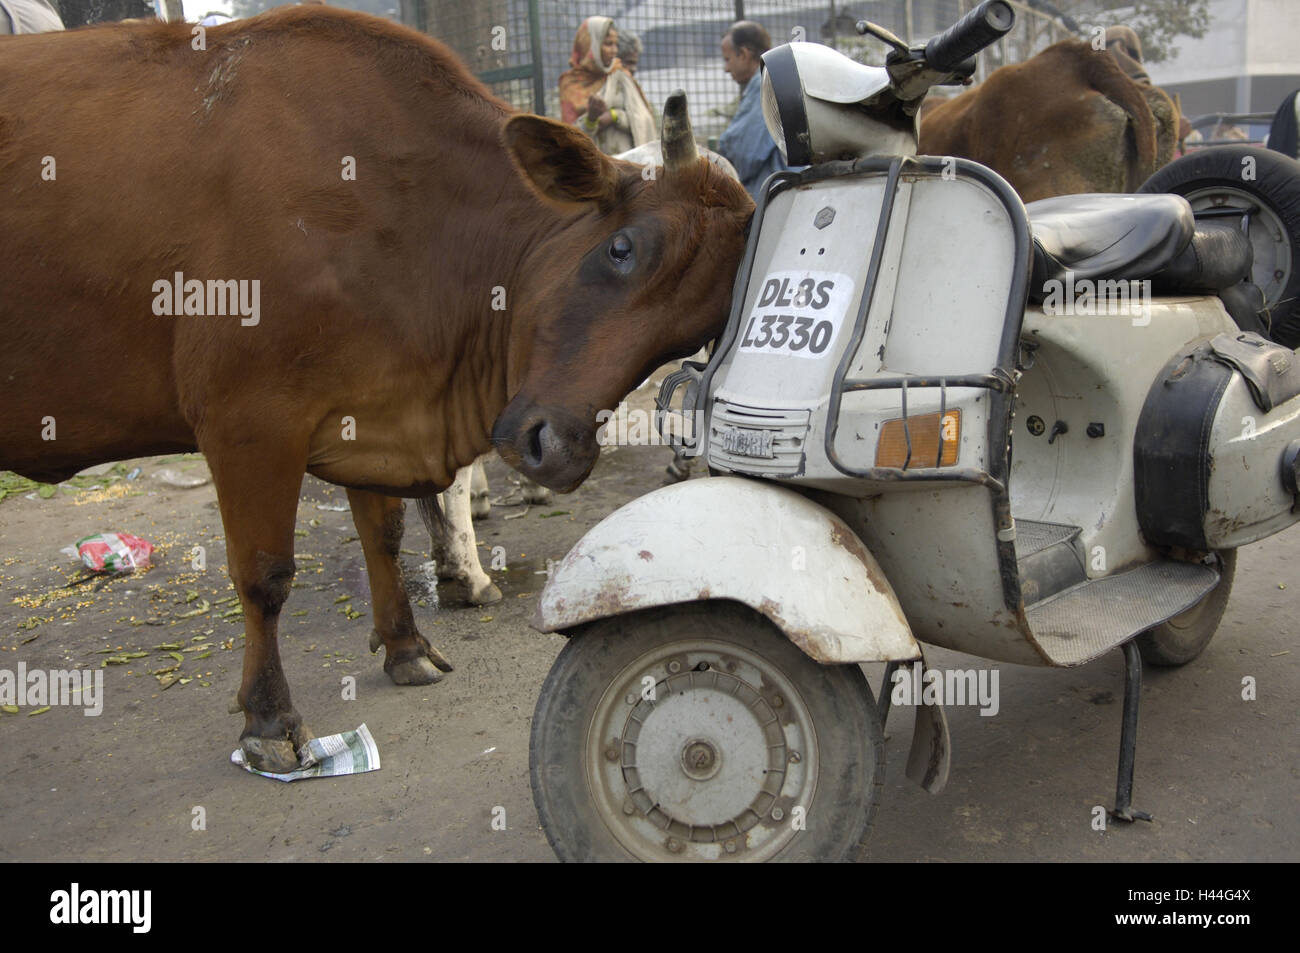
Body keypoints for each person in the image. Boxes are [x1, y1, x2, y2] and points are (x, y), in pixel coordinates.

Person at [558, 16, 656, 155]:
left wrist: (615, 116)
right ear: (590, 45)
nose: (614, 50)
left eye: (615, 44)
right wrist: (591, 120)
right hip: (594, 169)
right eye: (608, 44)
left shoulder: (620, 76)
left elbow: (644, 121)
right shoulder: (570, 84)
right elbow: (568, 140)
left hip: (629, 167)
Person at [717, 20, 787, 201]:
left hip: (772, 199)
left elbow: (744, 154)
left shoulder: (764, 85)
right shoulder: (774, 80)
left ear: (744, 54)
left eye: (727, 59)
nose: (726, 68)